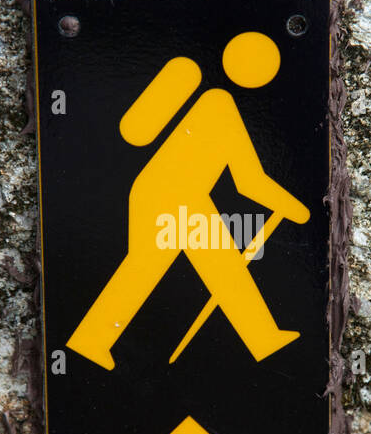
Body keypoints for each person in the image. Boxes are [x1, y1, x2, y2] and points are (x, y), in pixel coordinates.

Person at [67, 32, 309, 368]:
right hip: (171, 195)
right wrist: (296, 209)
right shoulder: (220, 106)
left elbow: (246, 180)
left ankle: (263, 338)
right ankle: (90, 340)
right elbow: (249, 181)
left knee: (214, 267)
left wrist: (288, 206)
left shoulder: (215, 103)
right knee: (153, 269)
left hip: (172, 193)